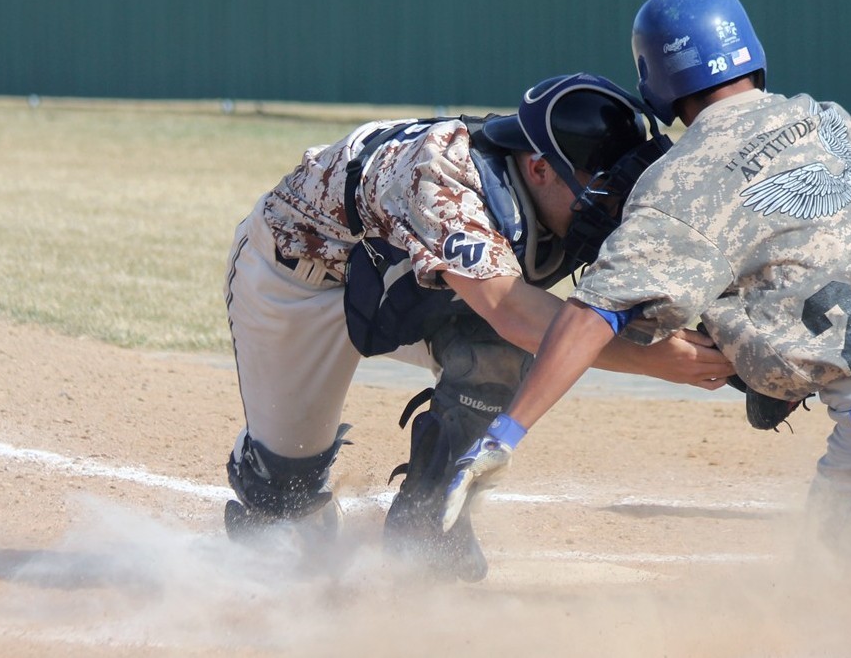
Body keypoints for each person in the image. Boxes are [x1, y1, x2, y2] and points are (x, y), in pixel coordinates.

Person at [442, 0, 851, 549]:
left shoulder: (681, 183)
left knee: (831, 610)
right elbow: (802, 250)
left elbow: (593, 315)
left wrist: (506, 431)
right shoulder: (820, 116)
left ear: (655, 81)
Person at [221, 71, 731, 582]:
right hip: (301, 284)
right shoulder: (445, 176)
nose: (615, 211)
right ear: (538, 169)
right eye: (604, 192)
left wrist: (747, 353)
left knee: (496, 356)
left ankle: (426, 525)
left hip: (413, 286)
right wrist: (652, 358)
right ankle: (269, 483)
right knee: (282, 500)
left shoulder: (550, 196)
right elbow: (514, 313)